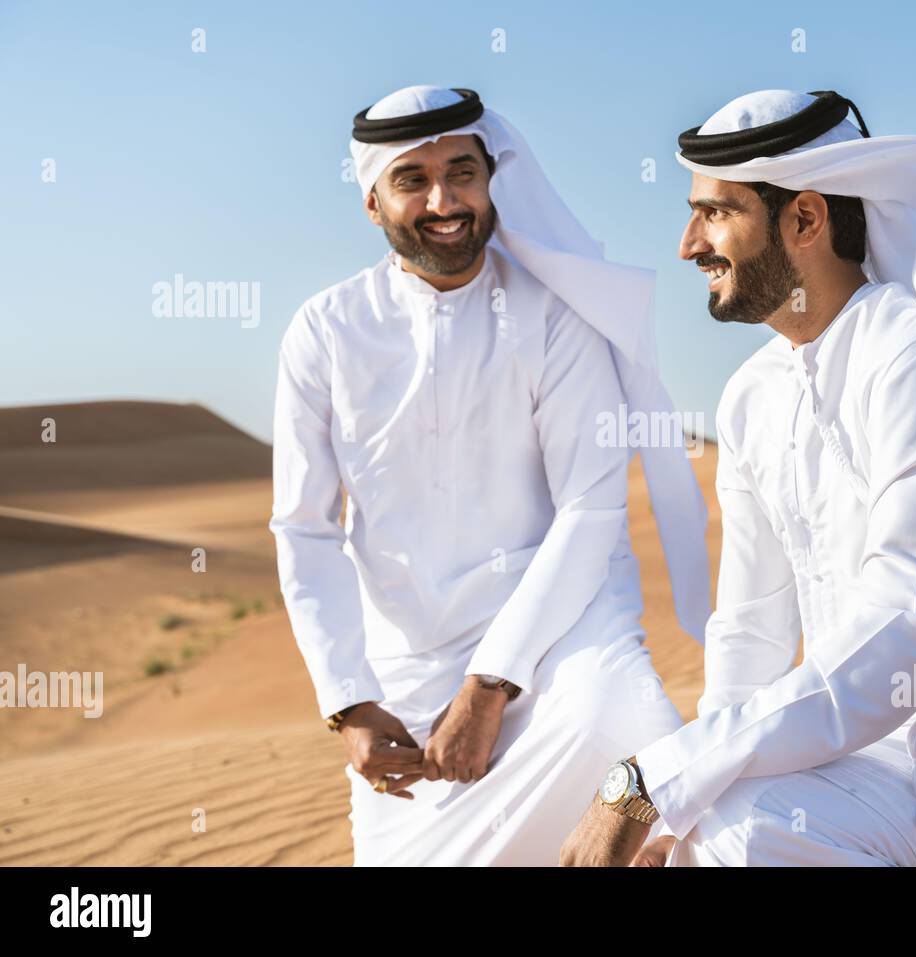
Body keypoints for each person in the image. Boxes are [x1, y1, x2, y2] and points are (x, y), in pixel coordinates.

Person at [561, 89, 916, 867]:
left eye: (715, 214)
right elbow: (752, 633)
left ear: (804, 220)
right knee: (702, 833)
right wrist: (685, 798)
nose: (686, 245)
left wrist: (656, 776)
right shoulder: (750, 396)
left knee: (751, 830)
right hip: (868, 748)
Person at [269, 85, 709, 865]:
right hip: (408, 685)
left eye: (462, 172)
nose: (444, 199)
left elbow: (590, 504)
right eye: (412, 179)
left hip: (562, 645)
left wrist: (492, 684)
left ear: (490, 180)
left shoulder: (553, 314)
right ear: (373, 203)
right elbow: (304, 527)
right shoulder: (325, 331)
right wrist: (350, 704)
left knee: (662, 769)